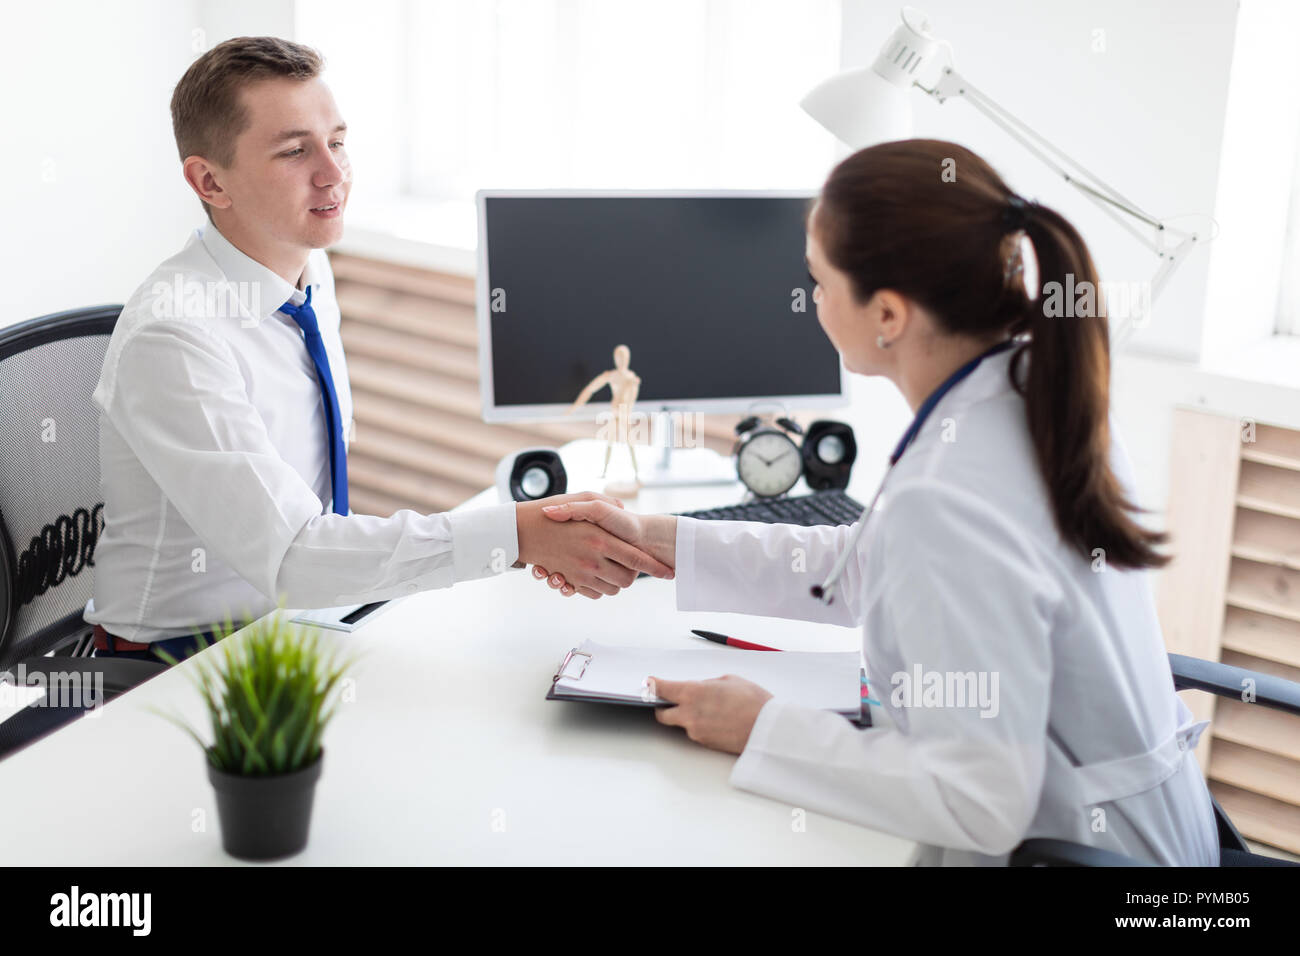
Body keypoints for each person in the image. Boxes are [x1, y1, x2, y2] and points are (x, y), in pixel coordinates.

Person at [529, 139, 1220, 866]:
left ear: (887, 313)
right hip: (1155, 829)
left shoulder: (953, 488)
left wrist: (763, 727)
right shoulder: (1029, 388)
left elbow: (980, 802)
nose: (811, 300)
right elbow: (871, 564)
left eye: (817, 280)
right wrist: (660, 540)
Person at [86, 36, 671, 664]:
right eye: (294, 151)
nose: (334, 174)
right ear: (210, 181)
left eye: (337, 141)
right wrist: (516, 536)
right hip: (178, 664)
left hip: (299, 626)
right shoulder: (174, 336)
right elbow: (293, 556)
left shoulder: (309, 274)